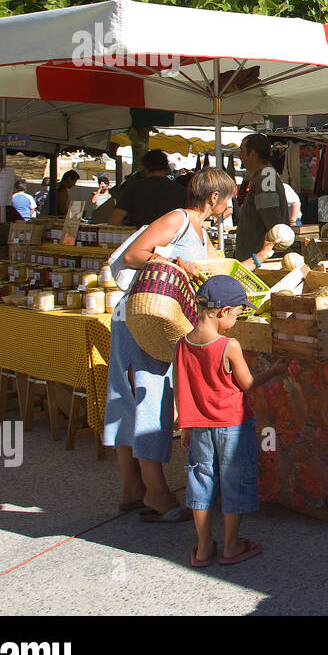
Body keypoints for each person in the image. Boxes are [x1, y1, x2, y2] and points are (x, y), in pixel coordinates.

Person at [103, 168, 235, 522]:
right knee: (147, 397)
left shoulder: (200, 228)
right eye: (229, 199)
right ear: (213, 198)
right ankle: (156, 493)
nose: (229, 206)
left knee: (130, 397)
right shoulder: (177, 218)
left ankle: (133, 488)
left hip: (157, 320)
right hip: (141, 318)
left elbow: (216, 268)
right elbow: (134, 254)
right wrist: (173, 262)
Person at [175, 274, 263, 567]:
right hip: (232, 426)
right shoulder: (229, 345)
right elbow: (248, 383)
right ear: (223, 311)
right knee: (233, 481)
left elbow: (182, 387)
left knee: (201, 482)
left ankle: (202, 548)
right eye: (238, 314)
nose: (237, 320)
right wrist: (274, 372)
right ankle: (231, 545)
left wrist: (185, 425)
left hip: (199, 427)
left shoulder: (182, 343)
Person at [233, 133, 288, 269]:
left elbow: (273, 222)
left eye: (242, 150)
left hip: (259, 263)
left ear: (253, 153)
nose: (240, 156)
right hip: (257, 259)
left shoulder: (266, 178)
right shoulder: (265, 176)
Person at [110, 151, 187, 227]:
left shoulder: (135, 187)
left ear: (145, 167)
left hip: (140, 236)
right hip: (171, 237)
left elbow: (115, 220)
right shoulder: (182, 191)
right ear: (166, 167)